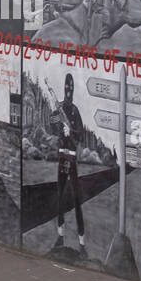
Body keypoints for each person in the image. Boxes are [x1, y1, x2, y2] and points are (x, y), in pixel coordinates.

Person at [50, 73, 86, 255]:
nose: (68, 91)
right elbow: (52, 126)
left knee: (77, 200)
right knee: (60, 197)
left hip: (71, 158)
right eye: (66, 87)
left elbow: (80, 135)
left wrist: (70, 131)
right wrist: (57, 124)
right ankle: (60, 236)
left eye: (71, 87)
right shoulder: (60, 108)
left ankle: (82, 243)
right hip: (63, 157)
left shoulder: (75, 111)